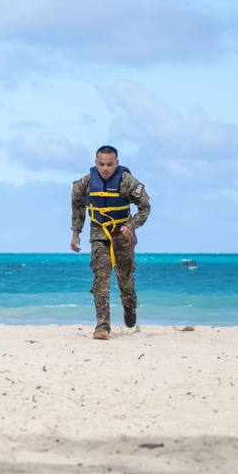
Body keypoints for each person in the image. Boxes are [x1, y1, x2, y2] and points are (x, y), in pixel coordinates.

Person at [70, 145, 151, 340]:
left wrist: (131, 226)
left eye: (109, 164)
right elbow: (77, 202)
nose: (105, 169)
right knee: (101, 277)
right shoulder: (86, 183)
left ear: (117, 163)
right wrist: (76, 233)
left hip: (123, 235)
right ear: (95, 163)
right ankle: (102, 326)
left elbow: (145, 208)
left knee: (125, 277)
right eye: (101, 164)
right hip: (99, 234)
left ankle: (129, 304)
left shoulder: (128, 182)